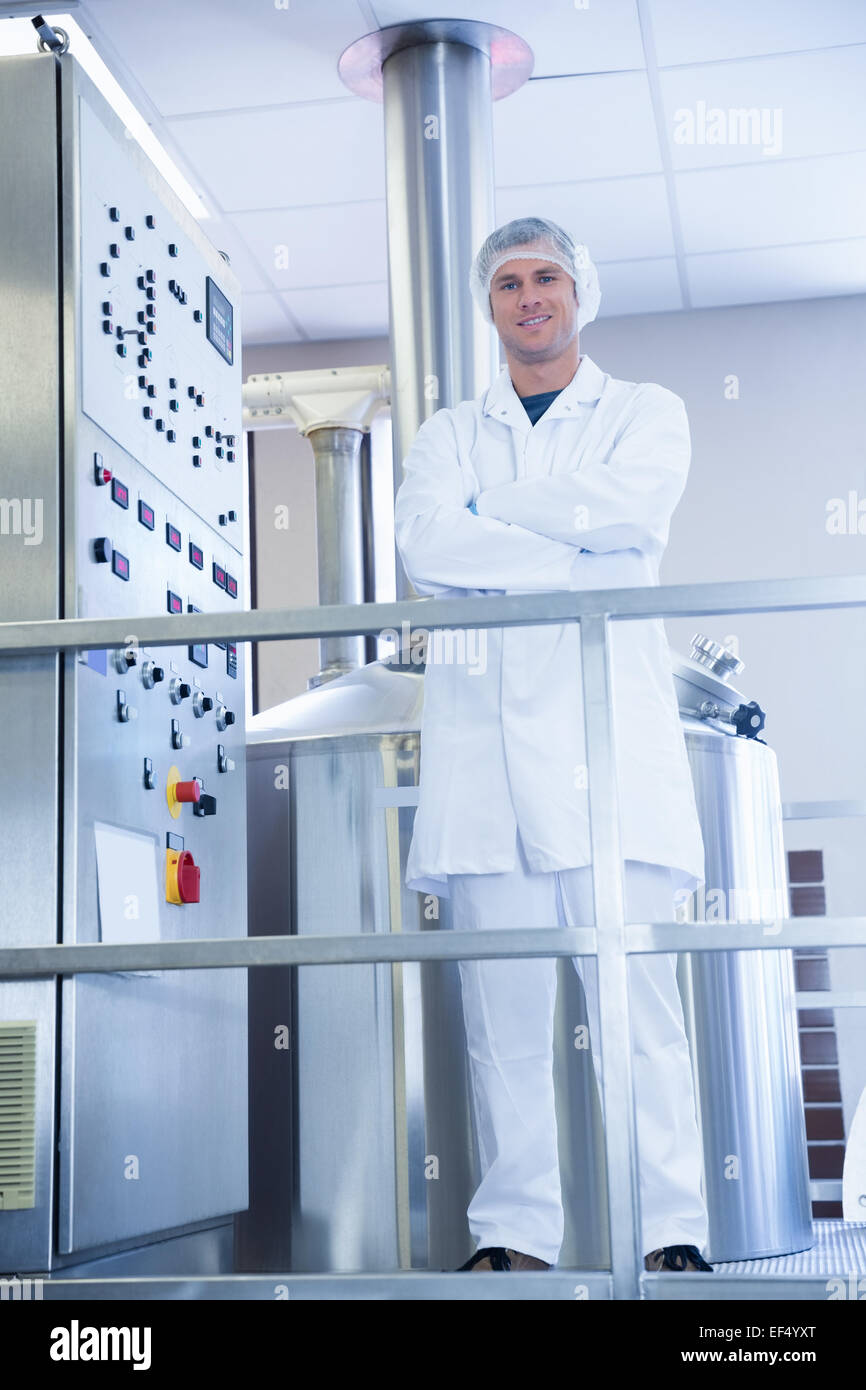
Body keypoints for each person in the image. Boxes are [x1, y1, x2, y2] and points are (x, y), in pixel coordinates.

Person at [393, 217, 713, 1275]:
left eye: (546, 279)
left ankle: (671, 1230)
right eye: (507, 285)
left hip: (605, 759)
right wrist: (563, 541)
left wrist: (494, 521)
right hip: (485, 775)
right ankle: (513, 1236)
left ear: (581, 293)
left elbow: (631, 512)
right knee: (501, 1023)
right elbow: (425, 546)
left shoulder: (642, 414)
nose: (528, 298)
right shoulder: (446, 433)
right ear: (487, 306)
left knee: (639, 1016)